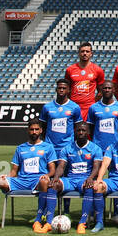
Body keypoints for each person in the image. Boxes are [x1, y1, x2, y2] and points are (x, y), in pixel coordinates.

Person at [0, 117, 60, 232]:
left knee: (45, 182)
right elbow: (14, 171)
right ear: (28, 130)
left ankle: (38, 220)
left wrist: (47, 175)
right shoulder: (20, 148)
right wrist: (7, 177)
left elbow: (52, 169)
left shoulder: (48, 147)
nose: (34, 132)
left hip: (37, 180)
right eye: (32, 129)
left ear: (41, 130)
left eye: (36, 129)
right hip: (20, 181)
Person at [88, 79, 118, 222]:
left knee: (115, 177)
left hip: (115, 148)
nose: (106, 90)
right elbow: (91, 128)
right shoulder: (94, 108)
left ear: (114, 90)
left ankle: (116, 213)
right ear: (101, 90)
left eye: (109, 88)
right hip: (98, 148)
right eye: (104, 88)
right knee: (95, 178)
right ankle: (95, 212)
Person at [42, 77, 84, 216]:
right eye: (59, 88)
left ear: (69, 90)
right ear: (56, 89)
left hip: (67, 148)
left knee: (65, 179)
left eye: (64, 88)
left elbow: (79, 128)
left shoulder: (74, 107)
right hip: (50, 148)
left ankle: (65, 210)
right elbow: (42, 126)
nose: (61, 90)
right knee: (48, 178)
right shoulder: (47, 107)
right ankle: (46, 210)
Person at [54, 120, 104, 233]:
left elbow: (96, 167)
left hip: (84, 179)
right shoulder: (67, 148)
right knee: (53, 185)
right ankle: (48, 222)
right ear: (75, 132)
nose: (81, 132)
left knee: (89, 186)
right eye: (78, 130)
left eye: (83, 130)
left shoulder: (95, 149)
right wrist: (56, 177)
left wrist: (91, 177)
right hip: (70, 180)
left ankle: (82, 222)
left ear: (88, 132)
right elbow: (61, 166)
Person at [65, 41, 105, 118]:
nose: (85, 53)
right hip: (73, 106)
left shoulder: (97, 70)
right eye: (82, 51)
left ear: (91, 53)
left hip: (89, 108)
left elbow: (101, 91)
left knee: (88, 129)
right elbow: (67, 89)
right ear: (79, 53)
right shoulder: (70, 69)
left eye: (87, 51)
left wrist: (93, 102)